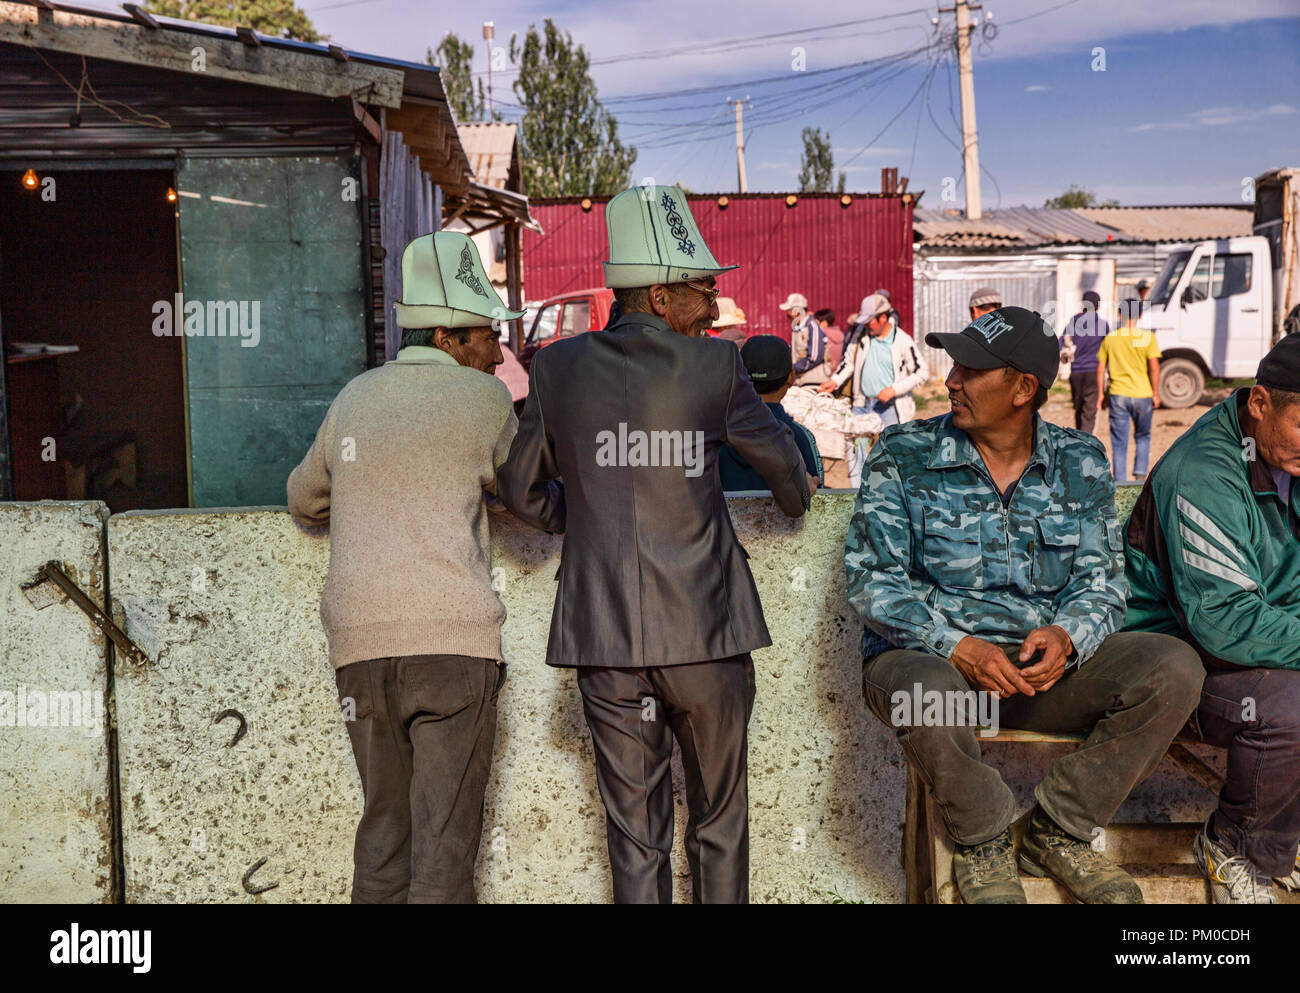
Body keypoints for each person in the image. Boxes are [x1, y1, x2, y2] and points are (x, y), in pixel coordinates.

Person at [498, 185, 813, 905]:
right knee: (719, 820)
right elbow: (789, 481)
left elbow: (518, 490)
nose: (712, 308)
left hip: (605, 640)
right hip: (706, 632)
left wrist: (570, 513)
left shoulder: (554, 368)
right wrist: (795, 493)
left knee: (635, 836)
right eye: (703, 291)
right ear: (662, 296)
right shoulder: (715, 368)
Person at [845, 305, 1203, 905]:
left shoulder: (1080, 461)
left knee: (1173, 667)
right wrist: (956, 646)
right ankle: (983, 839)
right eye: (954, 365)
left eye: (970, 368)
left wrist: (1067, 638)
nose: (951, 379)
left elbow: (1102, 582)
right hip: (935, 671)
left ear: (1022, 387)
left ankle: (1058, 831)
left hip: (1041, 680)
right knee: (924, 690)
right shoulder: (903, 453)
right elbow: (871, 580)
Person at [286, 231, 520, 903]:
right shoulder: (485, 403)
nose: (497, 353)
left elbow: (303, 497)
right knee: (443, 848)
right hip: (452, 647)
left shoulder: (354, 398)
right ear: (446, 336)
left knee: (385, 834)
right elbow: (527, 493)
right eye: (484, 337)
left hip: (360, 648)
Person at [1123, 334, 1300, 903]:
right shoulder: (1203, 473)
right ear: (1259, 403)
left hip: (1259, 647)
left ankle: (1279, 844)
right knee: (1291, 710)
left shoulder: (1286, 452)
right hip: (1173, 662)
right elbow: (1224, 622)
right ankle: (1234, 846)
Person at [818, 292, 927, 489]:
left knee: (892, 453)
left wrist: (894, 390)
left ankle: (890, 494)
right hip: (862, 405)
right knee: (856, 450)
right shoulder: (861, 335)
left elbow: (921, 372)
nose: (867, 324)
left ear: (883, 318)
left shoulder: (903, 341)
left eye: (871, 321)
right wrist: (834, 381)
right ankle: (859, 492)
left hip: (890, 408)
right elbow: (848, 362)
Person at [720, 335, 823, 491]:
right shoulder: (800, 437)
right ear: (791, 377)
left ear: (738, 377)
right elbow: (818, 496)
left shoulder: (714, 435)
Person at [1096, 298, 1161, 481]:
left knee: (1119, 441)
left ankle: (1120, 480)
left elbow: (1101, 368)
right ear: (1140, 315)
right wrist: (1155, 393)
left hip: (1118, 394)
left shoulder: (1111, 338)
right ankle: (1140, 476)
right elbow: (1154, 367)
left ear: (1119, 314)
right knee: (1143, 435)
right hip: (1143, 394)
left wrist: (1101, 394)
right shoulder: (1148, 338)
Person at [1063, 290, 1109, 435]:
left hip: (1076, 372)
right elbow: (1108, 348)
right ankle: (1085, 441)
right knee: (1089, 411)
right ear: (1098, 306)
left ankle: (1078, 436)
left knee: (1078, 407)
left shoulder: (1074, 322)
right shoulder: (1102, 324)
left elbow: (1062, 343)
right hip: (1094, 372)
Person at [778, 291, 827, 386]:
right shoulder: (797, 328)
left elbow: (814, 357)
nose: (787, 314)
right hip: (800, 380)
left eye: (789, 311)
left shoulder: (812, 326)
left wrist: (793, 368)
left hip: (813, 381)